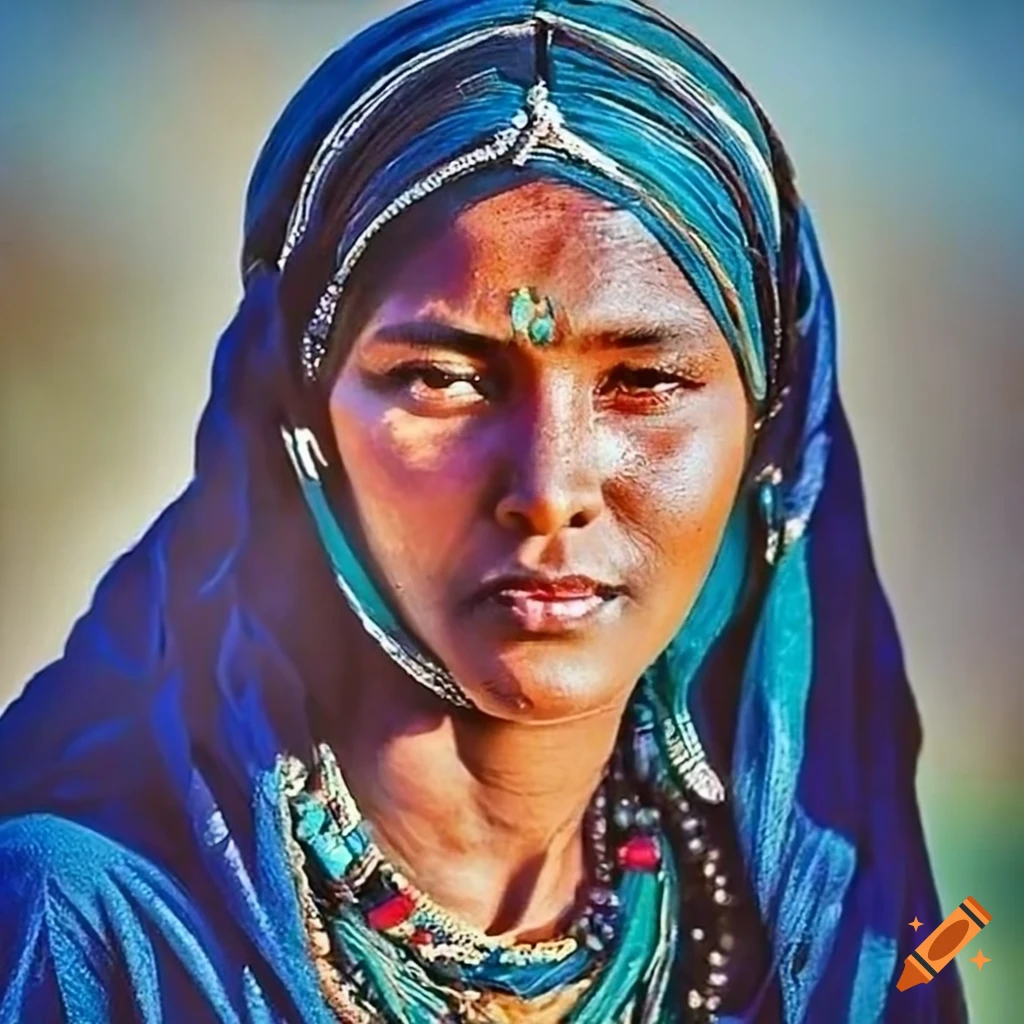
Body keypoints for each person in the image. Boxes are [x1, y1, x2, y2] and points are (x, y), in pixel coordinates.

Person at [0, 1, 967, 1021]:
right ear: (300, 418)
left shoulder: (818, 946)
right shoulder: (82, 936)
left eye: (643, 381)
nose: (550, 490)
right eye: (443, 378)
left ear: (765, 431)